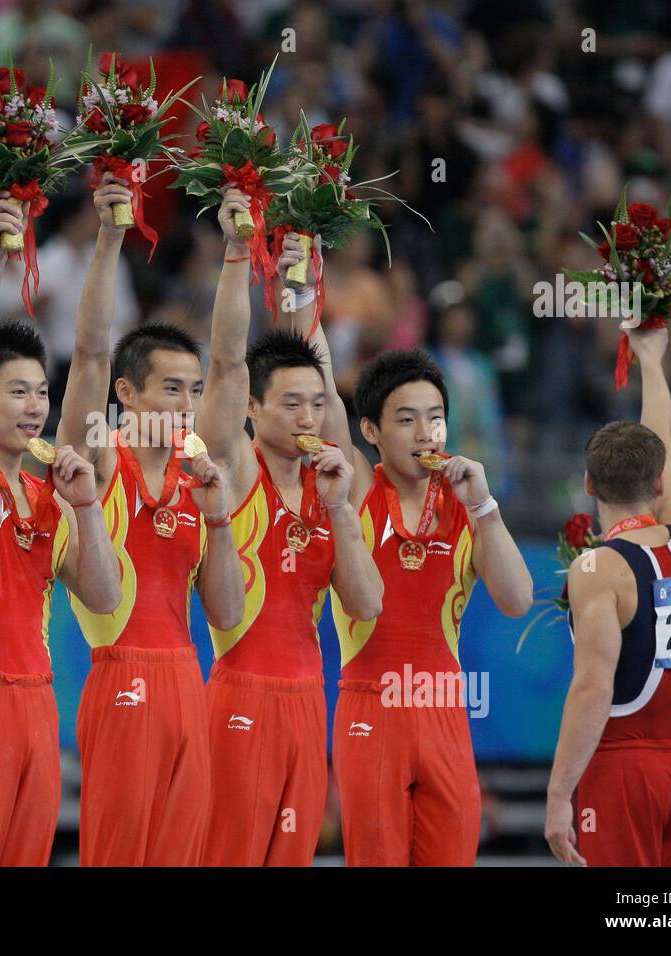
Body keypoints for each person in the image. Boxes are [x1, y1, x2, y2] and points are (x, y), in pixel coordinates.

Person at [278, 232, 532, 867]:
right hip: (371, 713)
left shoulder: (468, 503)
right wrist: (302, 288)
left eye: (437, 416)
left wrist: (485, 507)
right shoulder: (360, 487)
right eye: (408, 419)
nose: (428, 432)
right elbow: (322, 390)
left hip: (444, 710)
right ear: (371, 431)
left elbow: (517, 599)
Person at [0, 193, 121, 867]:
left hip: (39, 706)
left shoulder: (50, 496)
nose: (36, 407)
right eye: (19, 391)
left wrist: (88, 508)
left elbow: (102, 598)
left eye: (41, 392)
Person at [57, 173, 243, 866]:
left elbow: (225, 614)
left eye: (192, 392)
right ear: (127, 395)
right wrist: (109, 239)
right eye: (171, 388)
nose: (188, 404)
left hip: (188, 682)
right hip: (121, 678)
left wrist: (220, 520)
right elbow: (89, 354)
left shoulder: (200, 479)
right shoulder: (102, 458)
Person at [197, 190, 384, 867]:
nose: (308, 417)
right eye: (290, 404)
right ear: (252, 408)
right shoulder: (235, 464)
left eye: (316, 405)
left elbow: (366, 606)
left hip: (310, 698)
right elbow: (223, 363)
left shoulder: (333, 482)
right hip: (240, 693)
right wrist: (242, 252)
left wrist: (301, 280)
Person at [546, 326, 671, 867]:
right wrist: (651, 359)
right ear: (660, 483)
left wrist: (557, 794)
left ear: (589, 486)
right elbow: (664, 438)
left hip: (622, 773)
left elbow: (594, 688)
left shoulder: (598, 568)